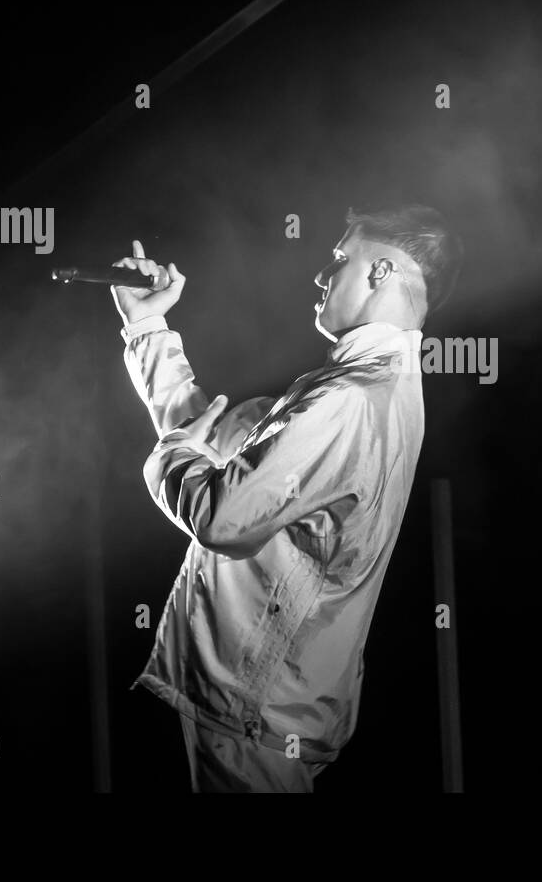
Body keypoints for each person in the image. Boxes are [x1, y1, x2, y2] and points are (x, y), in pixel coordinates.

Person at [111, 205, 462, 792]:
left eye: (339, 259)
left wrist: (166, 456)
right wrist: (147, 330)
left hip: (253, 714)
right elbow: (221, 444)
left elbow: (222, 516)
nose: (323, 276)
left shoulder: (348, 399)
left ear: (380, 272)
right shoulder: (362, 388)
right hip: (260, 714)